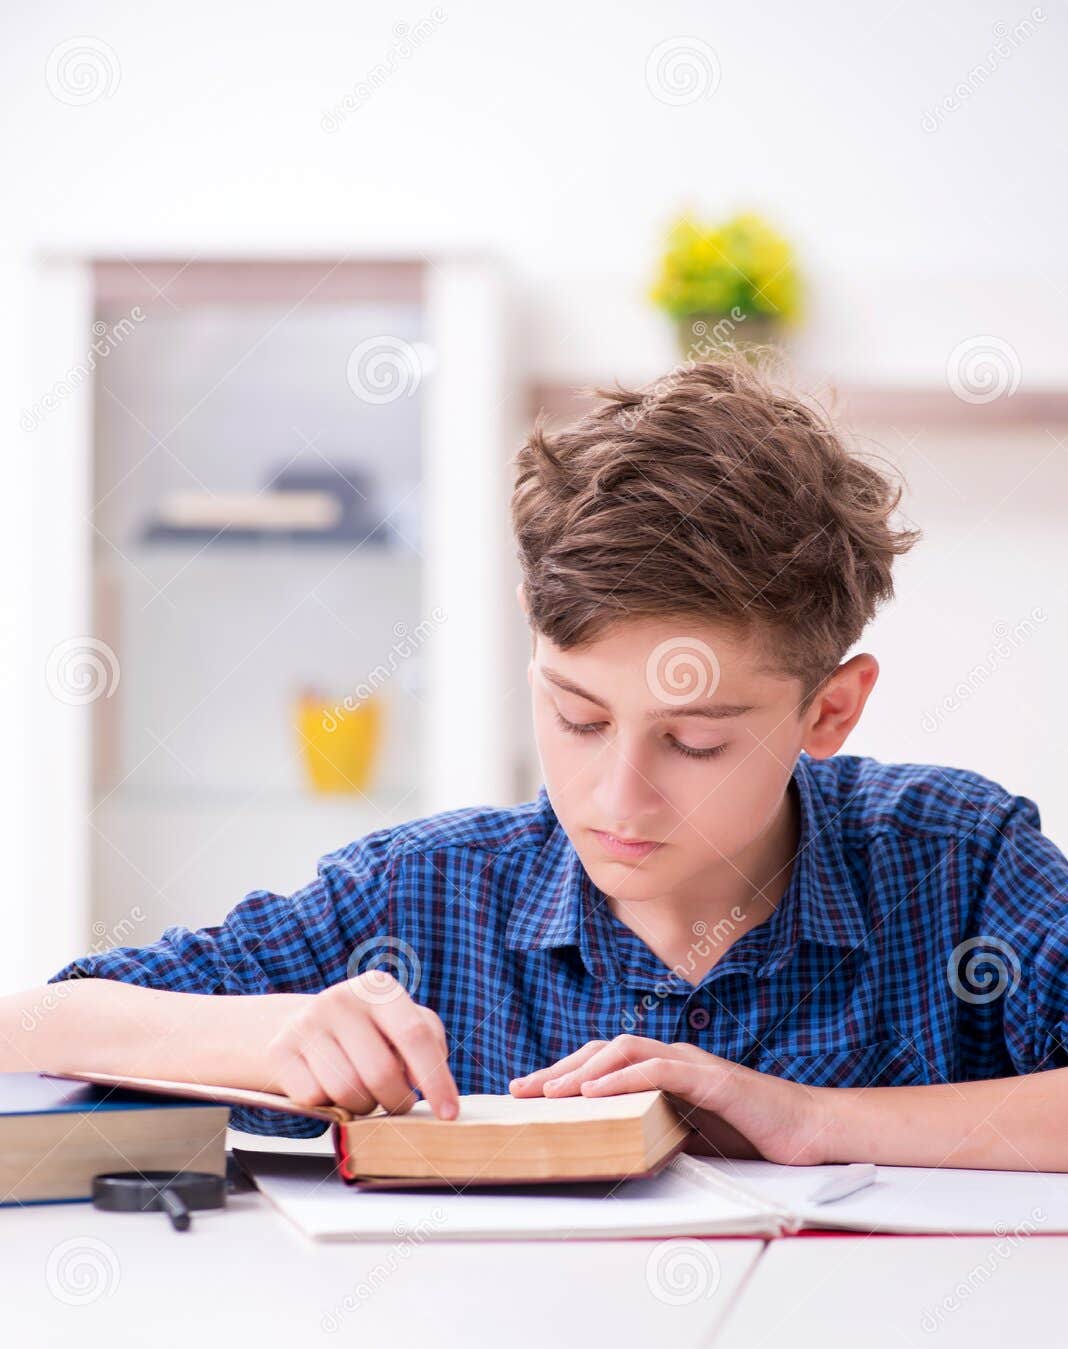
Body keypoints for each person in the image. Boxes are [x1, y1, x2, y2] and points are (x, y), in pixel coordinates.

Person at [10, 351, 1068, 1169]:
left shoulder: (958, 862)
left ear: (829, 710)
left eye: (695, 740)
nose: (617, 799)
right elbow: (34, 1025)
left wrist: (815, 1121)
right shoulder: (419, 897)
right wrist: (268, 1034)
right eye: (578, 716)